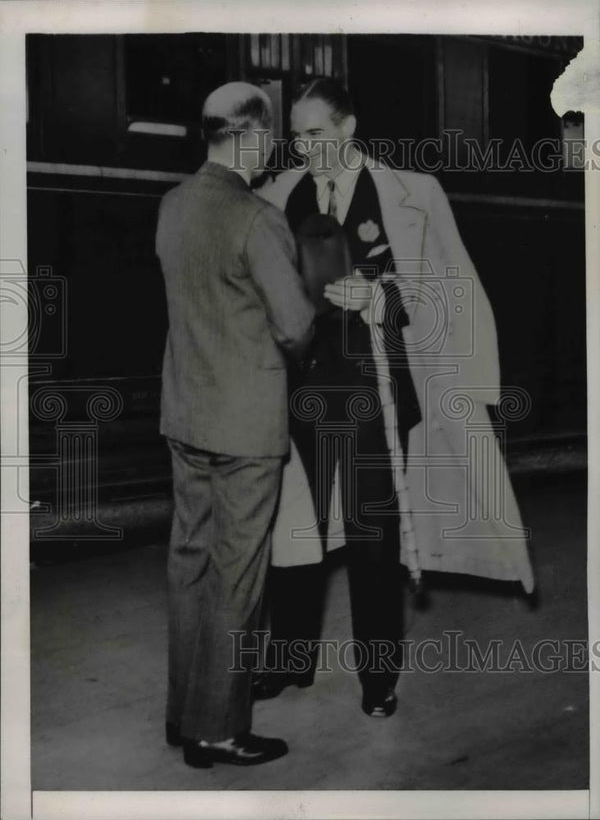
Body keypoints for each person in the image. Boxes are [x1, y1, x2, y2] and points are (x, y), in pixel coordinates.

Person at [255, 77, 535, 717]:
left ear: (348, 128)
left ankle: (377, 678)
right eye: (296, 136)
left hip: (375, 398)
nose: (305, 148)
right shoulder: (276, 196)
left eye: (317, 134)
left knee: (373, 539)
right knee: (292, 532)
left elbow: (448, 287)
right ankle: (290, 661)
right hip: (296, 396)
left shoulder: (413, 193)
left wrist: (382, 297)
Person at [156, 82, 315, 767]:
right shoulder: (256, 217)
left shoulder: (172, 205)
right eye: (269, 137)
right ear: (251, 136)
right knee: (238, 575)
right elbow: (295, 325)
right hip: (246, 423)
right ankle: (218, 726)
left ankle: (182, 714)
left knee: (189, 560)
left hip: (185, 411)